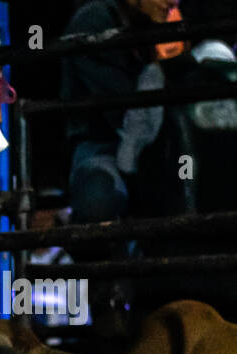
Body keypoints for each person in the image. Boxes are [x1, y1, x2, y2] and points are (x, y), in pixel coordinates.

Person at [62, 0, 179, 225]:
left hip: (154, 144)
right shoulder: (95, 20)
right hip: (105, 146)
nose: (173, 1)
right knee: (98, 195)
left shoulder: (146, 24)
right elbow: (123, 111)